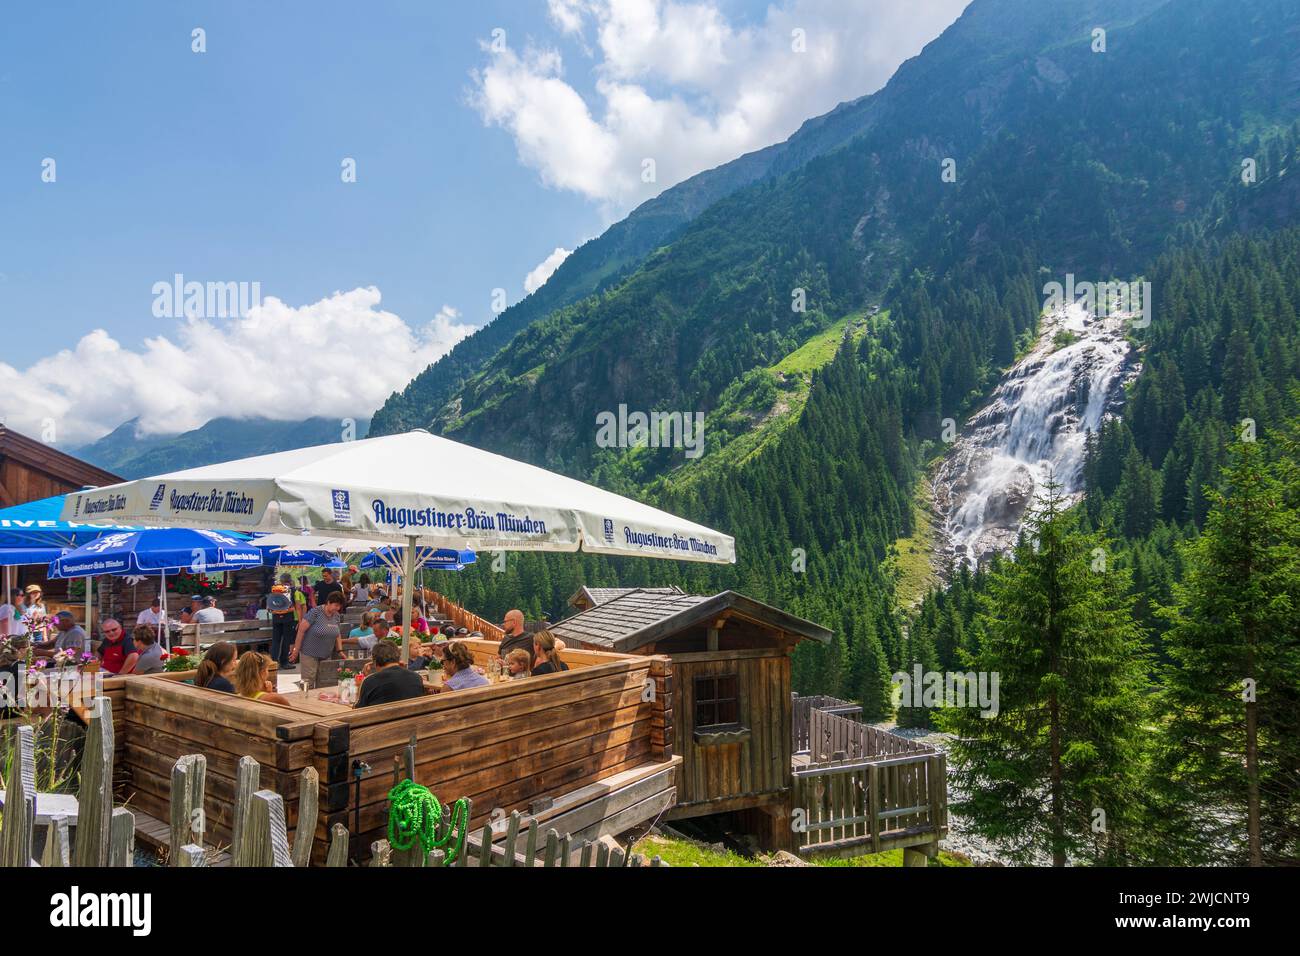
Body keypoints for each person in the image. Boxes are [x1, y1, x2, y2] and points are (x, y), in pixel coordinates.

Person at [290, 591, 345, 688]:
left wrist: (340, 650)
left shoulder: (336, 616)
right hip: (309, 653)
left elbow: (337, 634)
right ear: (328, 602)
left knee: (324, 682)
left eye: (339, 606)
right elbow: (301, 630)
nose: (337, 608)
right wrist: (296, 650)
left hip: (326, 655)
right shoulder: (315, 612)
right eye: (336, 605)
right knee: (308, 682)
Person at [354, 641, 427, 707]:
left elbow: (358, 711)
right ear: (398, 657)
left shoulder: (369, 682)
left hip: (382, 721)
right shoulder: (416, 677)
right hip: (414, 720)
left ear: (375, 662)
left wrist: (360, 685)